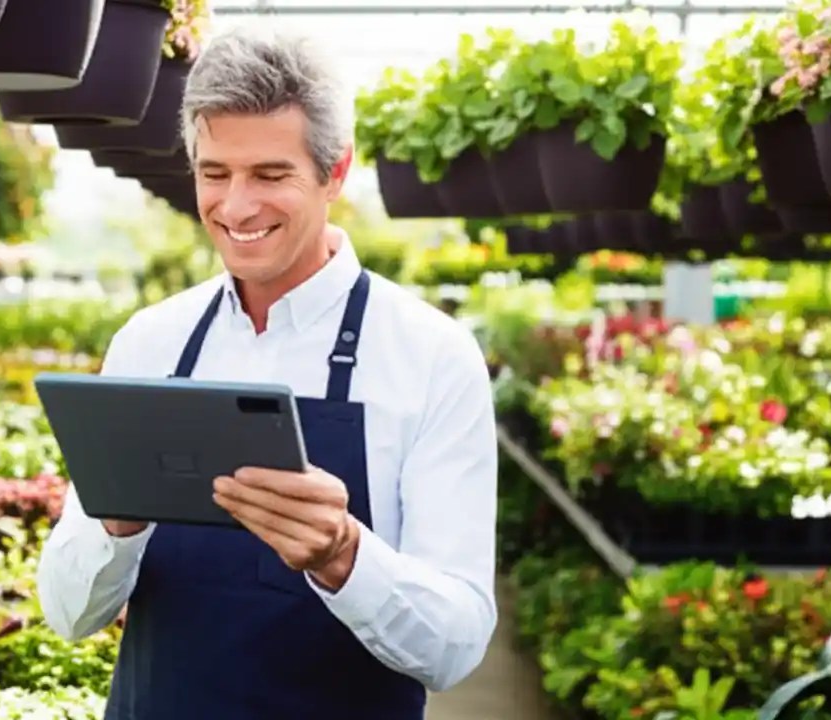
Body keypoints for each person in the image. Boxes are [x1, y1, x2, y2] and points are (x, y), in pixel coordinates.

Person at [37, 23, 498, 720]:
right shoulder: (150, 345)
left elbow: (456, 647)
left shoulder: (431, 358)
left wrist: (344, 556)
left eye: (271, 175)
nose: (237, 206)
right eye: (214, 173)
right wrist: (117, 524)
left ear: (335, 171)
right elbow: (69, 615)